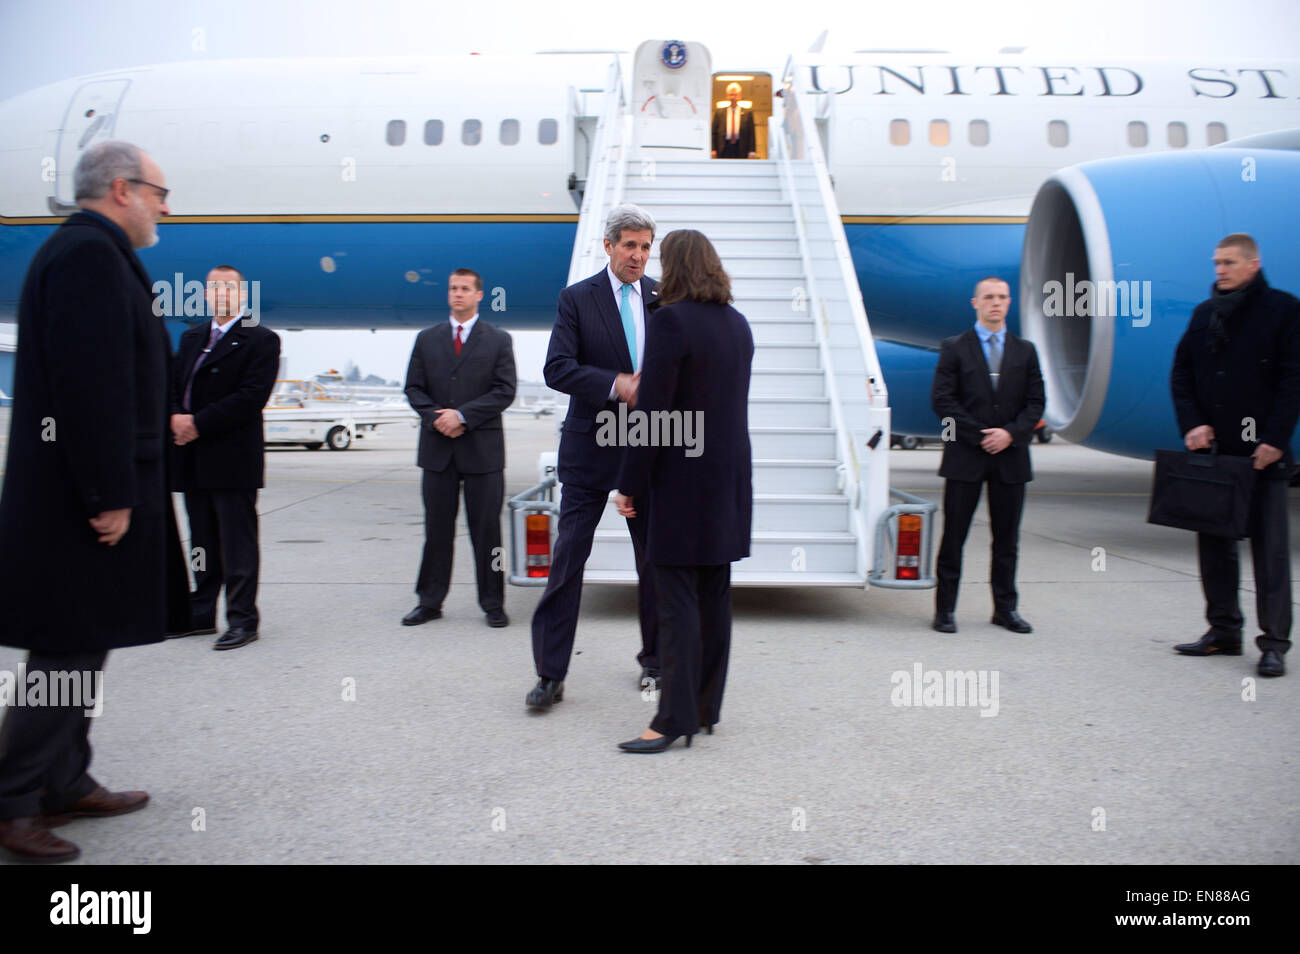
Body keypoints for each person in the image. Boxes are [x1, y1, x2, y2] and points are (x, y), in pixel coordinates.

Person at [0, 141, 189, 862]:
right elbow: (91, 388)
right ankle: (14, 800)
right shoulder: (86, 257)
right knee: (66, 649)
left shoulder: (93, 252)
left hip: (83, 494)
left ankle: (64, 779)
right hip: (82, 501)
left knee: (84, 639)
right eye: (160, 193)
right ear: (122, 189)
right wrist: (109, 495)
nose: (166, 208)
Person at [614, 229, 753, 752]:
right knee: (714, 598)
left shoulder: (671, 321)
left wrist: (628, 483)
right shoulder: (738, 325)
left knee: (674, 603)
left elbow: (652, 416)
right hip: (729, 480)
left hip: (681, 484)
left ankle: (670, 721)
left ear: (675, 266)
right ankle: (702, 708)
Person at [526, 204, 661, 709]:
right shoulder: (577, 300)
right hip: (589, 446)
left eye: (646, 247)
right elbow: (557, 369)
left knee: (653, 561)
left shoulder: (662, 298)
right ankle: (550, 674)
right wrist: (615, 383)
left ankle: (656, 664)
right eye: (630, 245)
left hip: (649, 444)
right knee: (568, 561)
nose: (639, 255)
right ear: (609, 246)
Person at [1170, 234, 1300, 677]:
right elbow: (1182, 373)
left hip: (1263, 456)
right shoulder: (1205, 315)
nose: (1219, 271)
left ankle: (1274, 643)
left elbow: (1292, 381)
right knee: (1215, 547)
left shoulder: (1283, 310)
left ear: (1253, 264)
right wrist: (1192, 424)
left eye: (1228, 263)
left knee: (1270, 552)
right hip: (1216, 453)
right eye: (1216, 263)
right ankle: (1223, 631)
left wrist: (1275, 439)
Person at [170, 265, 281, 650]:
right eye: (213, 287)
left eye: (228, 287)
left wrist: (196, 423)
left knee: (237, 545)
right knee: (200, 542)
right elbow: (172, 386)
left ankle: (243, 619)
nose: (220, 293)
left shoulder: (261, 339)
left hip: (231, 459)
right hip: (191, 459)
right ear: (204, 294)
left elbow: (251, 397)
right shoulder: (190, 338)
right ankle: (200, 615)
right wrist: (173, 417)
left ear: (242, 295)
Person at [930, 277, 1044, 634]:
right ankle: (945, 610)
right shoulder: (954, 348)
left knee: (1007, 540)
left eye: (1002, 297)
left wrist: (1010, 434)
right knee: (954, 537)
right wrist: (980, 435)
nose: (996, 303)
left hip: (1010, 459)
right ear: (975, 303)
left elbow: (1036, 402)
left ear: (1009, 303)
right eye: (988, 297)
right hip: (966, 456)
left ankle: (1005, 609)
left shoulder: (1025, 351)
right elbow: (942, 402)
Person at [403, 268, 516, 628]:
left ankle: (493, 602)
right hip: (438, 451)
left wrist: (464, 416)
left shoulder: (498, 340)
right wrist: (438, 417)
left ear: (479, 295)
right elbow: (413, 389)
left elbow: (504, 390)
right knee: (437, 530)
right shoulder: (426, 339)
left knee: (488, 533)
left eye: (465, 289)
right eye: (453, 288)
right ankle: (430, 601)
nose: (458, 294)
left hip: (482, 452)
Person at [711, 82, 757, 160]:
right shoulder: (719, 113)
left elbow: (751, 133)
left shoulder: (748, 113)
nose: (733, 97)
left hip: (741, 147)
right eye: (731, 94)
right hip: (723, 147)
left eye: (735, 95)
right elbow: (713, 133)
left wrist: (752, 151)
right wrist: (713, 149)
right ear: (727, 96)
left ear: (739, 96)